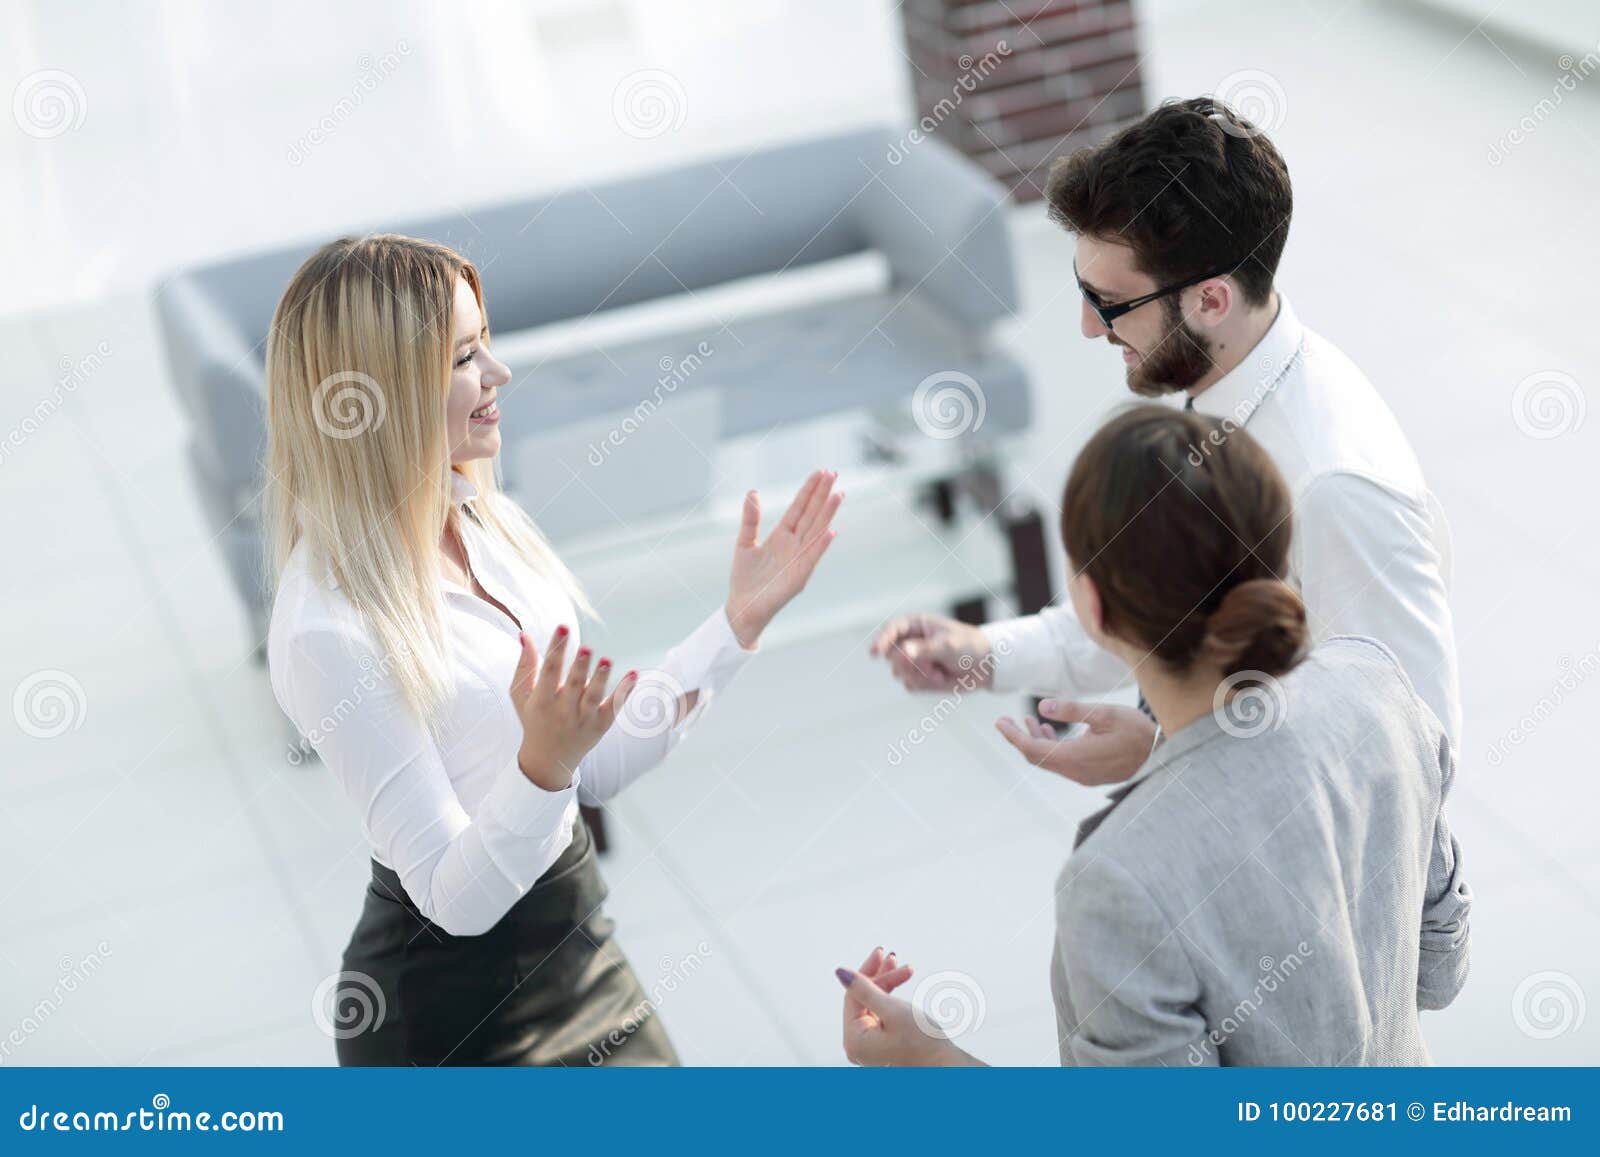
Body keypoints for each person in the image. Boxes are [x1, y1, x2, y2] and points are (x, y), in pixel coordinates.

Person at [265, 234, 841, 1065]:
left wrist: (735, 624)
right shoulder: (327, 628)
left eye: (486, 342)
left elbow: (592, 766)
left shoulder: (482, 520)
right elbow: (453, 899)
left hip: (581, 952)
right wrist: (542, 764)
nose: (499, 374)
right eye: (465, 356)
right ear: (380, 392)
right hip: (452, 1022)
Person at [838, 405, 1471, 1066]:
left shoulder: (1118, 882)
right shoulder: (1379, 687)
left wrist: (925, 1059)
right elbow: (1438, 970)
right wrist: (1166, 761)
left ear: (1092, 607)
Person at [870, 96, 1460, 786]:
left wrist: (1163, 751)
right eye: (1082, 292)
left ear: (1211, 300)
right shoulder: (1216, 389)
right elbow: (1159, 613)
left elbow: (1414, 761)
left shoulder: (1332, 487)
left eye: (1112, 303)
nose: (1090, 328)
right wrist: (982, 651)